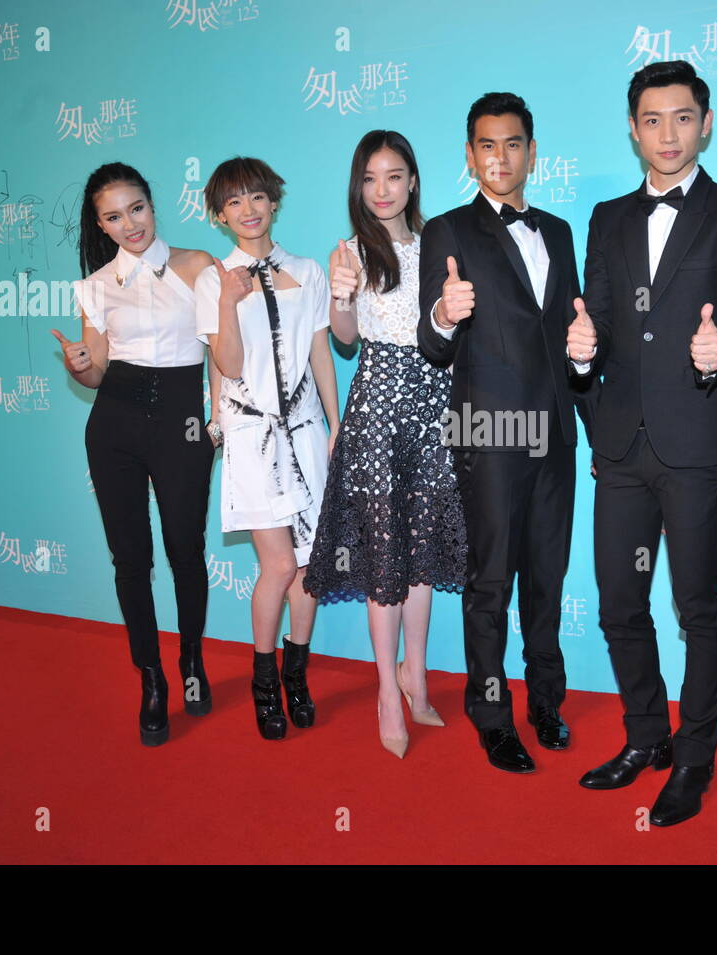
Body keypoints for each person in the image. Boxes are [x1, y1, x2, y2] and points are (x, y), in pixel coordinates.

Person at [568, 61, 717, 826]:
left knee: (697, 607)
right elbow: (603, 321)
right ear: (632, 128)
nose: (668, 134)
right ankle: (644, 736)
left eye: (683, 118)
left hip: (695, 441)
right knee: (620, 604)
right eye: (652, 120)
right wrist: (582, 350)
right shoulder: (607, 216)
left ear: (706, 122)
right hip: (619, 443)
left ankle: (693, 760)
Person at [416, 92, 585, 774]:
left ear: (532, 152)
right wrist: (443, 313)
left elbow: (574, 339)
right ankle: (491, 712)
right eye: (487, 145)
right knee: (491, 583)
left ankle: (547, 697)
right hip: (487, 432)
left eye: (513, 143)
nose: (501, 157)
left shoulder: (561, 230)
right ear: (470, 155)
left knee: (549, 577)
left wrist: (585, 358)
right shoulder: (449, 231)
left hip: (556, 434)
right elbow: (433, 344)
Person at [303, 130, 466, 759]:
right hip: (377, 405)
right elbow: (344, 337)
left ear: (413, 181)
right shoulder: (349, 252)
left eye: (393, 177)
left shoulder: (438, 246)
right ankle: (384, 691)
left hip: (434, 404)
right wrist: (341, 294)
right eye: (369, 179)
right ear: (357, 186)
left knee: (420, 549)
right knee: (384, 554)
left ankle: (416, 676)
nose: (381, 190)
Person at [56, 161, 219, 747]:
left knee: (185, 550)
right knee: (131, 559)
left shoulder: (199, 266)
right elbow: (98, 370)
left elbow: (221, 350)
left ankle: (192, 663)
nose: (130, 224)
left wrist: (216, 420)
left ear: (153, 205)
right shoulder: (95, 286)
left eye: (137, 209)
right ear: (100, 225)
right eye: (113, 217)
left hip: (181, 421)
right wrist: (83, 364)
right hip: (116, 424)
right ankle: (151, 680)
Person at [193, 157, 341, 741]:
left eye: (257, 197)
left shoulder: (306, 270)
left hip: (306, 432)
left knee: (310, 568)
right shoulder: (213, 279)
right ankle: (262, 682)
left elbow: (321, 354)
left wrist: (336, 426)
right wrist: (229, 302)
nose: (248, 210)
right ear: (218, 215)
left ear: (274, 201)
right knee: (278, 565)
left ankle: (295, 675)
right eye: (234, 203)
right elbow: (226, 365)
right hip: (253, 438)